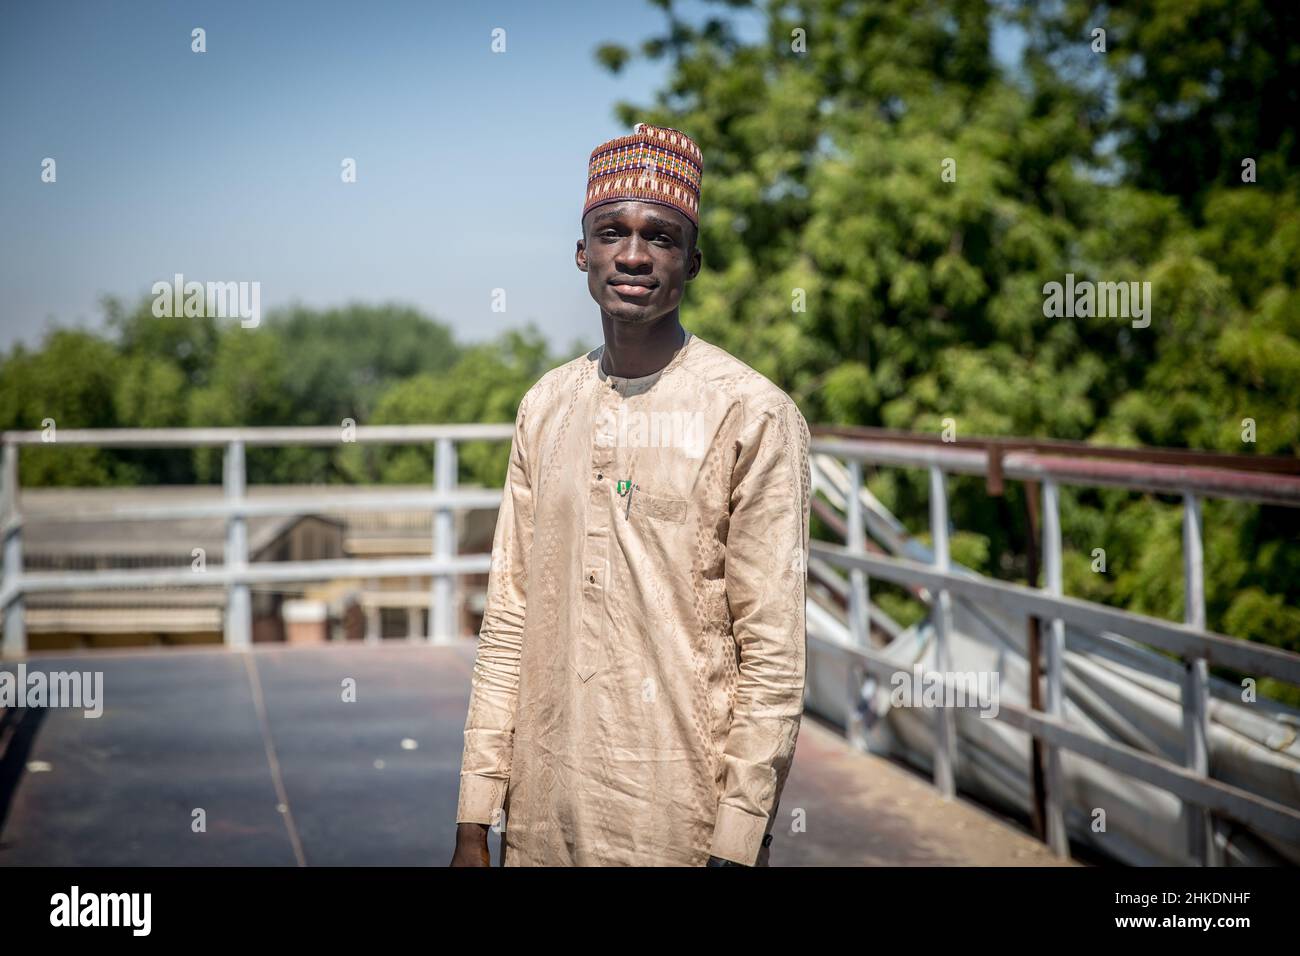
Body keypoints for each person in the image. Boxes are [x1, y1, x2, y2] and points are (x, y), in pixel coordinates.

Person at [449, 122, 811, 867]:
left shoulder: (750, 414)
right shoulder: (546, 407)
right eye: (612, 233)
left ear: (693, 261)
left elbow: (773, 657)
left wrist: (738, 842)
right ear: (583, 252)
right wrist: (472, 818)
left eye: (662, 237)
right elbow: (510, 618)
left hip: (681, 824)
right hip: (540, 822)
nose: (635, 256)